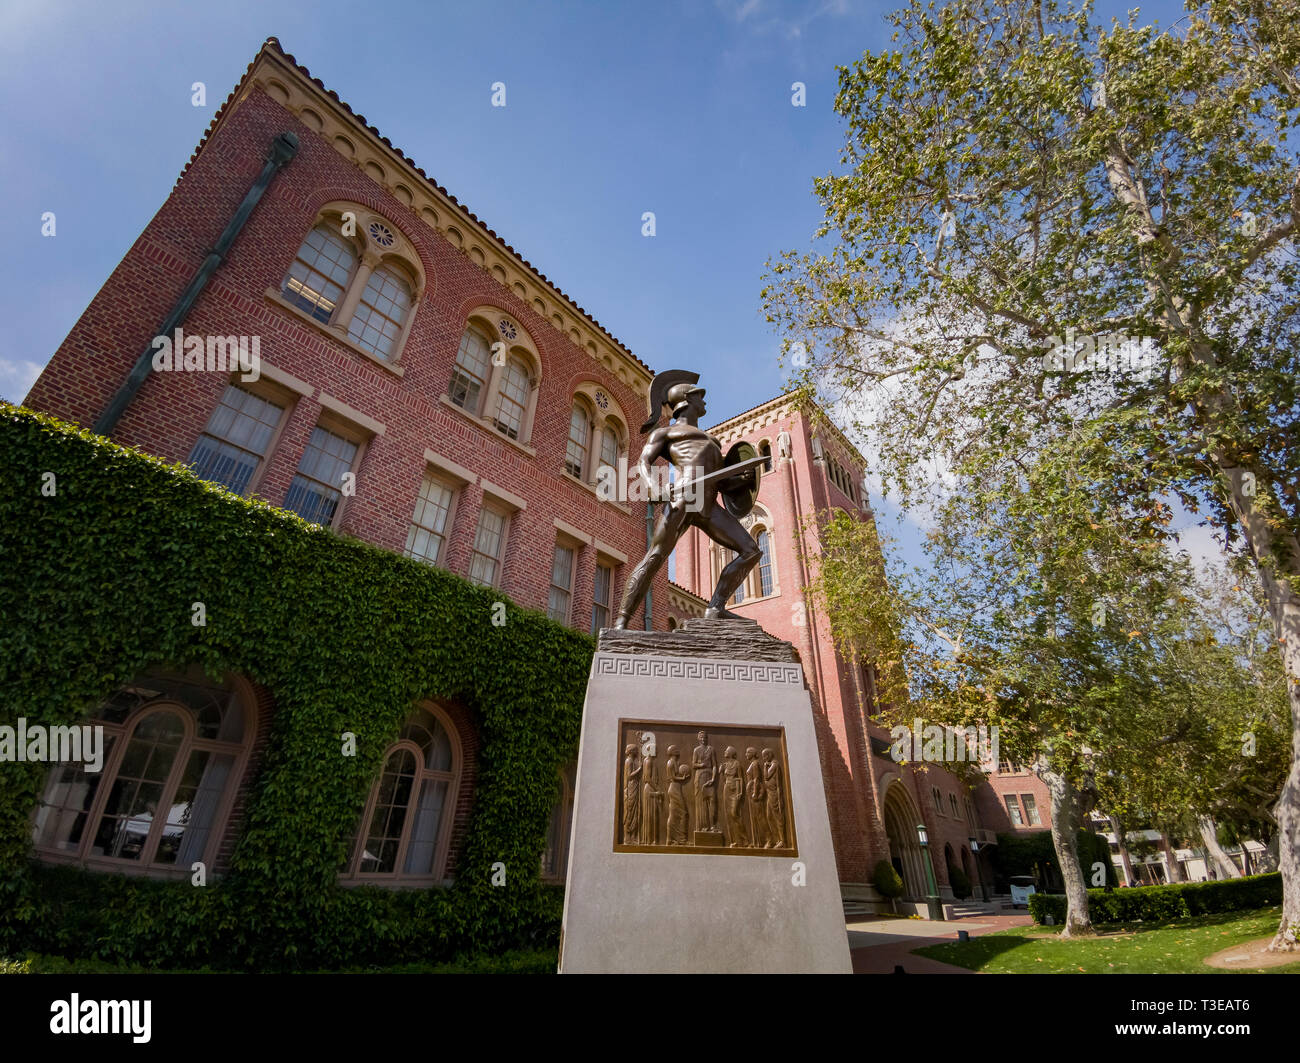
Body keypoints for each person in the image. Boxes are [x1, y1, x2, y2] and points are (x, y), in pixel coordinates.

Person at [613, 370, 760, 627]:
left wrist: (743, 478)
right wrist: (653, 488)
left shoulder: (712, 441)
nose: (704, 401)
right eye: (699, 397)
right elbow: (644, 461)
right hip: (684, 496)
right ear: (687, 401)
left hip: (708, 504)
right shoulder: (666, 433)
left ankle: (716, 607)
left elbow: (722, 481)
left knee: (751, 551)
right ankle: (621, 622)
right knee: (656, 556)